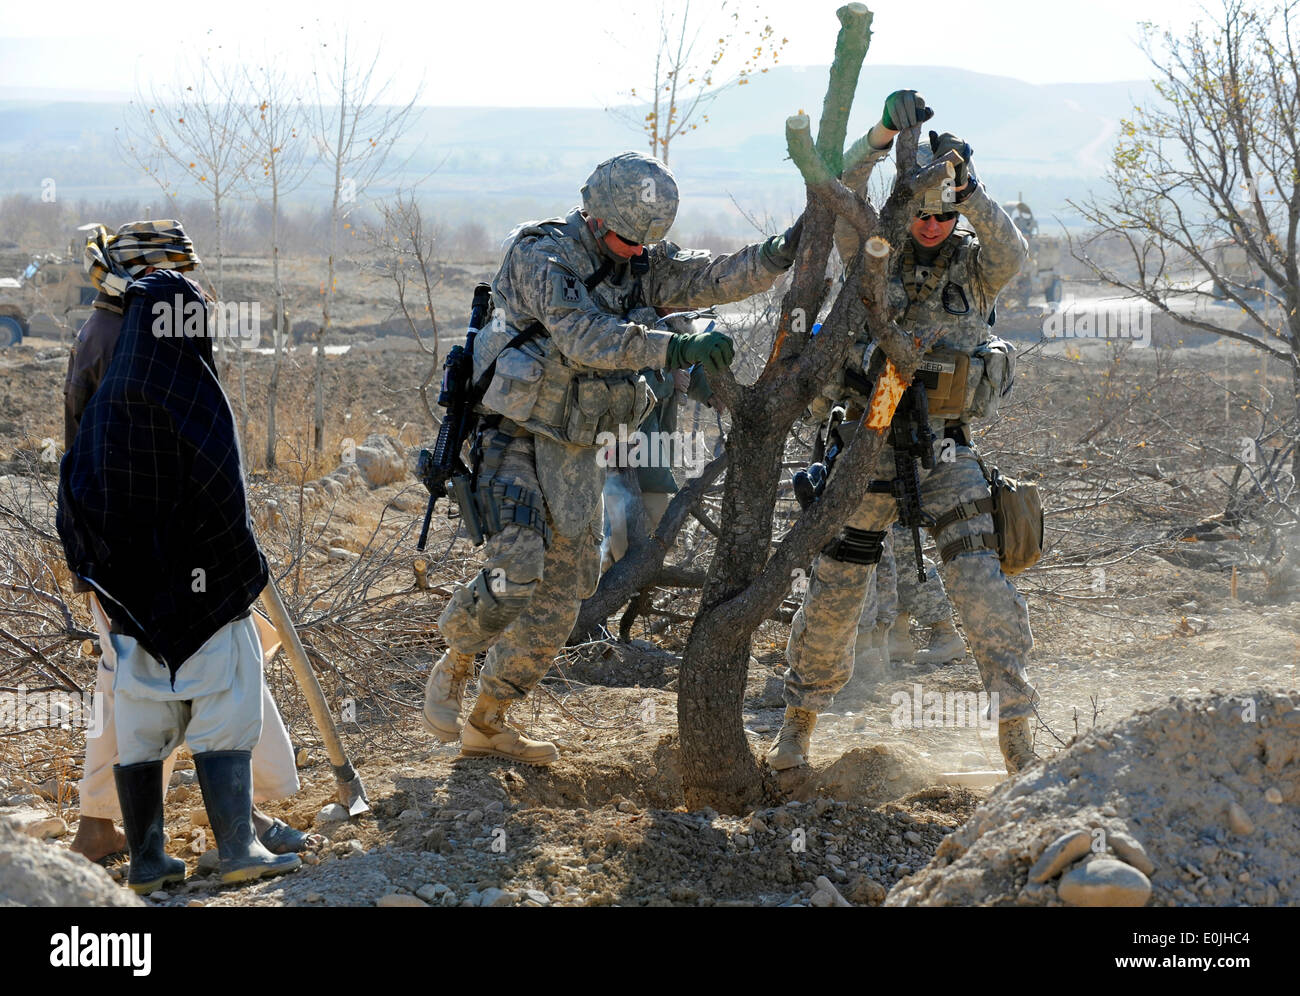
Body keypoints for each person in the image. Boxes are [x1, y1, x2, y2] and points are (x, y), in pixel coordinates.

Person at [425, 151, 801, 764]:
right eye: (627, 240)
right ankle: (459, 659)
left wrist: (778, 254)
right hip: (514, 433)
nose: (637, 253)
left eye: (647, 243)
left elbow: (709, 278)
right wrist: (674, 345)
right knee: (518, 565)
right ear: (597, 217)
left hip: (575, 445)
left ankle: (490, 717)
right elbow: (584, 336)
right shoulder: (542, 254)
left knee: (568, 586)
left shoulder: (642, 256)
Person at [770, 90, 1039, 775]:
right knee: (836, 590)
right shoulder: (877, 242)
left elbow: (1015, 250)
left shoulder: (977, 266)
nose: (930, 224)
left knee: (982, 583)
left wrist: (968, 188)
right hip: (867, 438)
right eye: (922, 210)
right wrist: (886, 133)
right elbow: (844, 189)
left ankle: (1016, 730)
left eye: (945, 213)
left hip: (945, 445)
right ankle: (800, 722)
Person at [64, 222, 318, 866]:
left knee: (143, 684)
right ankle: (235, 831)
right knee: (210, 675)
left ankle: (191, 828)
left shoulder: (117, 327)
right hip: (165, 554)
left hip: (120, 553)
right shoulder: (132, 336)